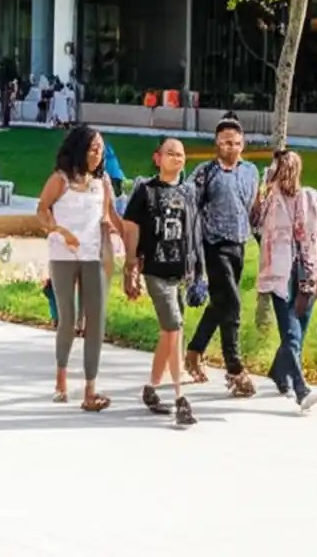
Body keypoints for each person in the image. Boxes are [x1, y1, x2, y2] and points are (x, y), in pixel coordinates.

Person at [37, 125, 122, 411]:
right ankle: (61, 379)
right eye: (93, 149)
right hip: (63, 254)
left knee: (96, 320)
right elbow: (42, 210)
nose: (97, 155)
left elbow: (110, 214)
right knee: (69, 319)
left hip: (93, 255)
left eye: (101, 150)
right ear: (79, 149)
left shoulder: (102, 181)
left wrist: (128, 241)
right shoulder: (60, 179)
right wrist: (59, 230)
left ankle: (90, 390)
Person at [120, 138, 201, 427]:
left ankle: (152, 388)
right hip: (156, 271)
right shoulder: (146, 191)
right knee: (174, 327)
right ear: (158, 158)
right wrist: (130, 264)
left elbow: (195, 232)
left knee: (170, 334)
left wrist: (198, 272)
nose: (176, 158)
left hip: (180, 272)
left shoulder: (188, 192)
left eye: (180, 155)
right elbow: (130, 227)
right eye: (170, 153)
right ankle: (180, 398)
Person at [253, 150, 317, 411]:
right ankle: (301, 390)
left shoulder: (316, 200)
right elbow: (253, 224)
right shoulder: (269, 201)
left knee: (299, 330)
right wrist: (263, 188)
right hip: (278, 274)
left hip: (307, 275)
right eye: (280, 168)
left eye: (289, 167)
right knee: (291, 333)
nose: (286, 173)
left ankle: (280, 374)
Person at [184, 113, 260, 396]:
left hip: (239, 242)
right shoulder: (206, 171)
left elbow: (252, 206)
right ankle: (235, 367)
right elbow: (188, 204)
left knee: (220, 303)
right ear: (217, 143)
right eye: (226, 142)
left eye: (237, 143)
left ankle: (194, 350)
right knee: (232, 304)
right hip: (213, 245)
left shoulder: (250, 171)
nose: (232, 148)